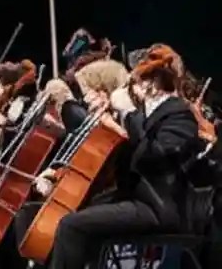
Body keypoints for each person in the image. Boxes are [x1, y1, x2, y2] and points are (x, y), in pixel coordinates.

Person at [48, 46, 202, 269]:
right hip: (135, 198)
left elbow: (154, 155)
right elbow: (126, 161)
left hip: (158, 207)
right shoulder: (148, 114)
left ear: (154, 82)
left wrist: (129, 112)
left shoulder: (180, 115)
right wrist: (110, 126)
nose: (134, 84)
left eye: (139, 79)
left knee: (71, 226)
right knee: (75, 213)